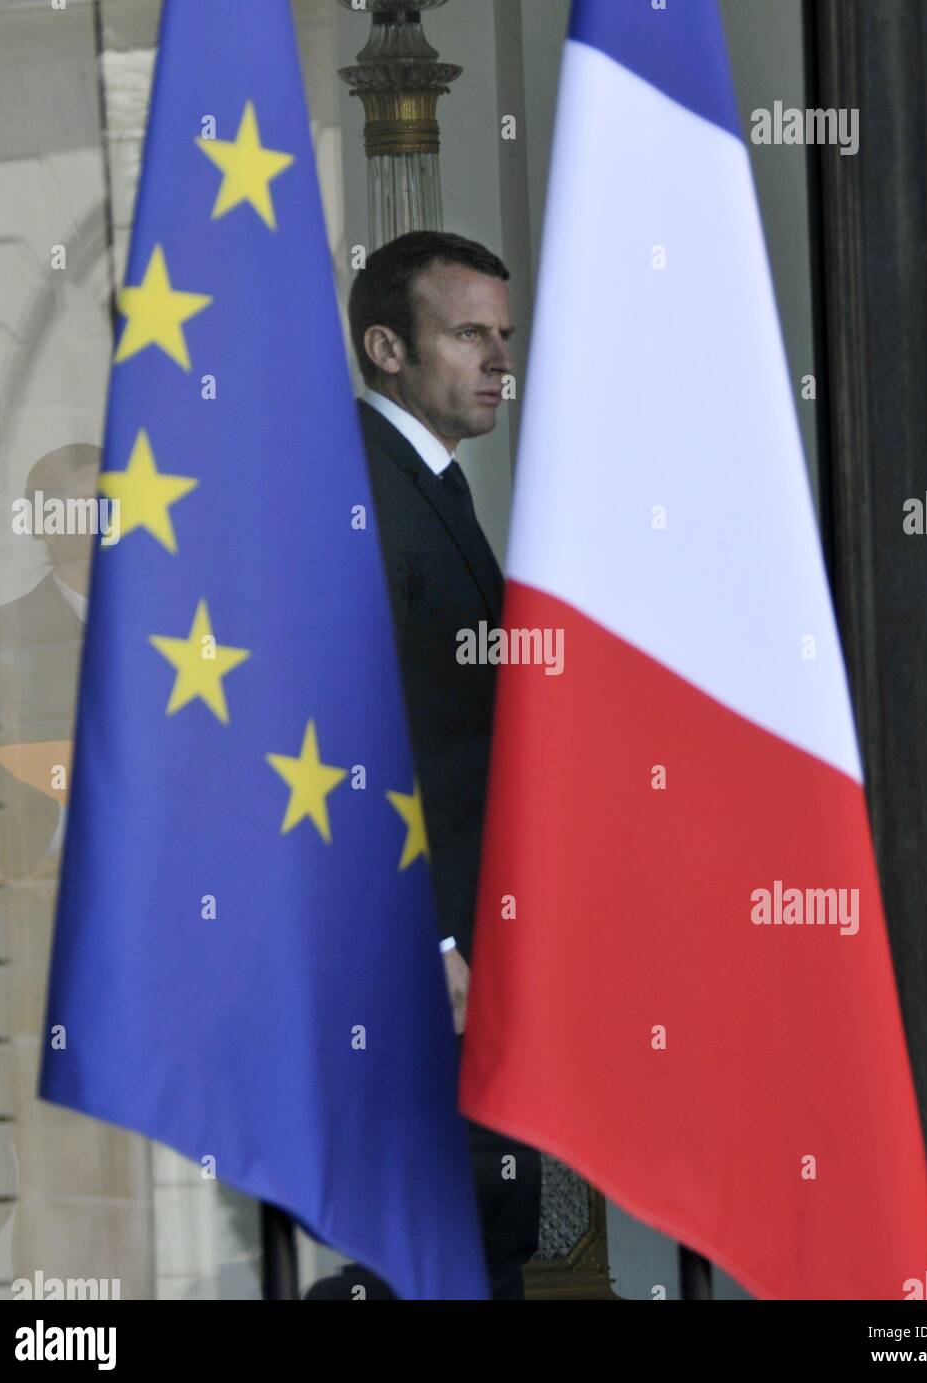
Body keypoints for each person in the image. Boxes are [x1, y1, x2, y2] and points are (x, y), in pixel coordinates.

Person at [343, 230, 541, 1299]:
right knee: (451, 1243)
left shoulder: (431, 481)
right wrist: (430, 933)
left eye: (502, 337)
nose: (498, 360)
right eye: (468, 334)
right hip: (426, 954)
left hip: (465, 940)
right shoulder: (369, 487)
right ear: (386, 346)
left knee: (481, 1229)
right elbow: (356, 731)